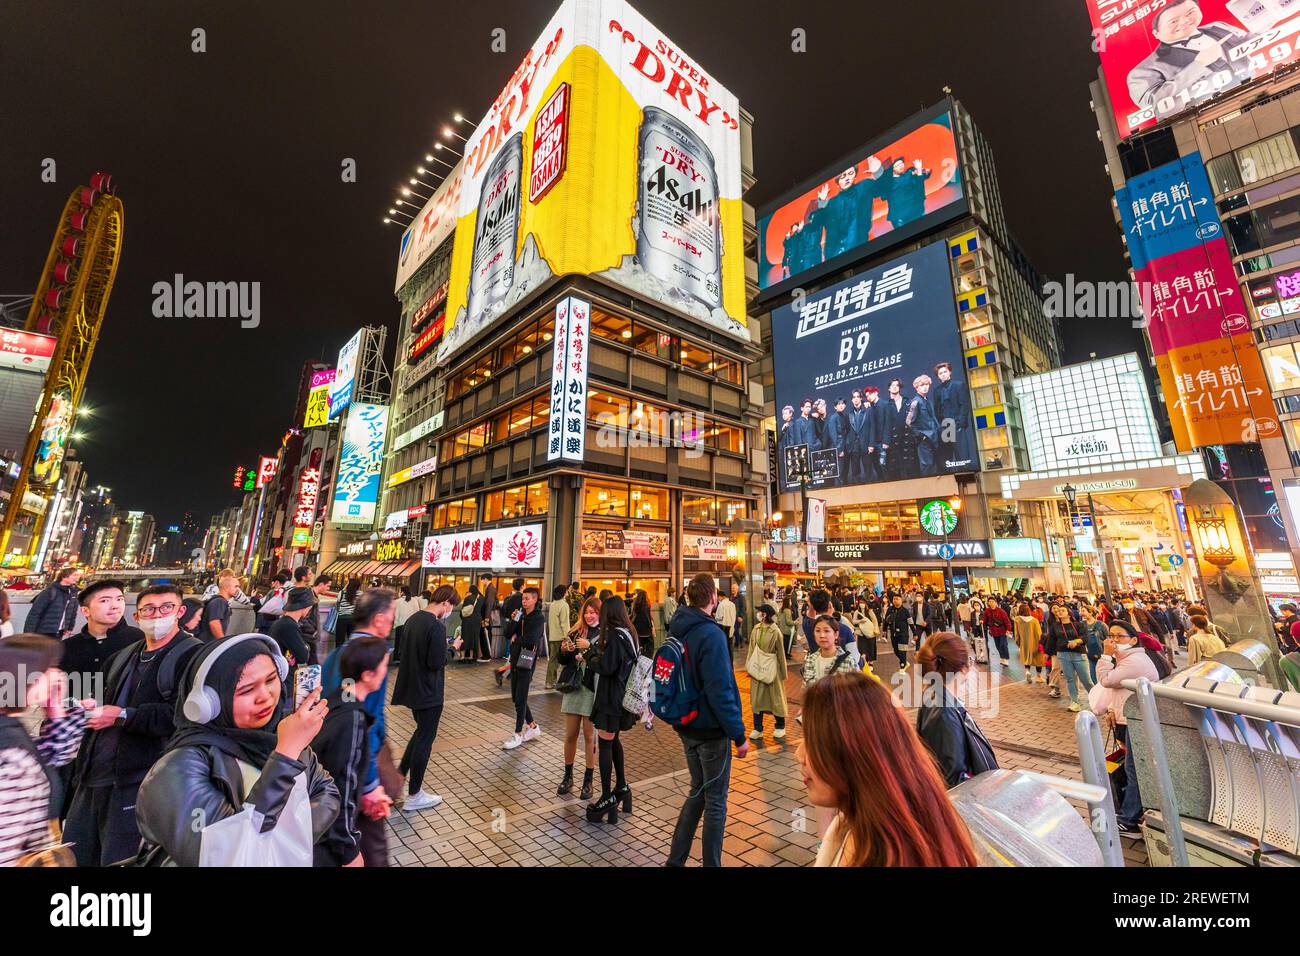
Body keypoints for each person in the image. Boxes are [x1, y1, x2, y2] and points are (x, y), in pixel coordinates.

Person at [134, 634, 339, 866]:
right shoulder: (176, 769)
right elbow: (227, 858)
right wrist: (286, 754)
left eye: (271, 679)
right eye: (246, 690)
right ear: (209, 702)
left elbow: (329, 793)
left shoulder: (280, 734)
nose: (265, 697)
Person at [63, 584, 202, 866]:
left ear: (181, 612)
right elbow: (106, 701)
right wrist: (91, 705)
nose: (157, 615)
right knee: (76, 856)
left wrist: (124, 715)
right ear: (137, 616)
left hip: (138, 781)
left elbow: (182, 716)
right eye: (148, 609)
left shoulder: (193, 656)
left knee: (121, 860)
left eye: (166, 608)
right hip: (93, 776)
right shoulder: (123, 656)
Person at [800, 671, 978, 866]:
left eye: (811, 740)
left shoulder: (880, 853)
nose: (799, 754)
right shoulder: (863, 827)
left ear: (857, 753)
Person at [665, 574, 750, 867]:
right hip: (711, 730)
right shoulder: (711, 634)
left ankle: (675, 861)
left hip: (685, 724)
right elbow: (720, 689)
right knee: (715, 801)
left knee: (698, 792)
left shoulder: (677, 628)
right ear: (713, 597)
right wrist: (738, 734)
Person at [0, 633, 91, 866]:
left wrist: (55, 708)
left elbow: (55, 755)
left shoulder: (10, 724)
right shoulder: (12, 756)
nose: (57, 675)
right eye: (49, 668)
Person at [321, 588, 396, 866]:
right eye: (391, 615)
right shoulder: (373, 662)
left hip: (331, 769)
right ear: (378, 619)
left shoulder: (337, 654)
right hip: (356, 772)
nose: (392, 621)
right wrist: (371, 785)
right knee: (371, 847)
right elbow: (366, 727)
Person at [311, 634, 388, 866]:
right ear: (367, 675)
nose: (386, 672)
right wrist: (349, 851)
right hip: (326, 844)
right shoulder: (353, 720)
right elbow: (341, 788)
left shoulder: (339, 699)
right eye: (384, 666)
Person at [391, 586, 461, 812]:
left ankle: (399, 780)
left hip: (413, 689)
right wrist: (452, 649)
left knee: (420, 734)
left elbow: (403, 652)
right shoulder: (436, 626)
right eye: (452, 606)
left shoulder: (413, 619)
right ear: (446, 603)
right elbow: (436, 662)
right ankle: (414, 794)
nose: (450, 611)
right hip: (429, 692)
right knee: (425, 740)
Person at [1126, 0, 1253, 117]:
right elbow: (1154, 106)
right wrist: (1198, 65)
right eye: (1173, 21)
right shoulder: (1142, 71)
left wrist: (1260, 29)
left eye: (1190, 12)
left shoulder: (1218, 26)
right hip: (1210, 116)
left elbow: (1247, 45)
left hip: (1255, 88)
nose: (1184, 22)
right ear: (1156, 33)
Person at [1096, 620, 1160, 835]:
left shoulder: (1134, 662)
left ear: (1133, 640)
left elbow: (1106, 680)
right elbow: (1120, 691)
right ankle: (1131, 813)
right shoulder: (1128, 659)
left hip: (1138, 721)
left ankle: (1129, 819)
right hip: (1131, 718)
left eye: (1119, 636)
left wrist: (1105, 656)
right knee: (1133, 767)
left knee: (1134, 770)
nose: (1113, 640)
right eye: (1111, 636)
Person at [915, 632, 998, 787]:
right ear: (964, 667)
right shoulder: (943, 712)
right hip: (970, 802)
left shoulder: (938, 698)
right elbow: (952, 781)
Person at [584, 597, 639, 824]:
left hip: (611, 698)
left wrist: (588, 655)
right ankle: (622, 787)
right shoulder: (629, 632)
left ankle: (607, 798)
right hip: (621, 695)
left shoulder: (615, 636)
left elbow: (606, 667)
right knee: (614, 740)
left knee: (606, 743)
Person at [60, 579, 142, 692]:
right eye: (104, 601)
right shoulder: (67, 647)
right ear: (85, 611)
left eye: (119, 599)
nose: (115, 606)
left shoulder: (139, 640)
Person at [557, 597, 600, 800]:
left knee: (590, 736)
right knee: (570, 735)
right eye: (587, 612)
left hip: (591, 690)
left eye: (594, 612)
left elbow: (605, 662)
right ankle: (567, 776)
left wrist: (590, 647)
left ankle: (588, 780)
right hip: (574, 688)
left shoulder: (604, 634)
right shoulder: (575, 631)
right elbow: (562, 660)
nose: (590, 616)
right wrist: (564, 650)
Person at [502, 587, 545, 751]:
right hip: (515, 658)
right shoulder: (520, 614)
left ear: (535, 599)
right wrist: (514, 621)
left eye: (527, 598)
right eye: (523, 599)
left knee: (520, 698)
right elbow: (507, 634)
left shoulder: (538, 618)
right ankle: (533, 727)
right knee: (516, 697)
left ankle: (518, 733)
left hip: (527, 660)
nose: (524, 601)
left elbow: (532, 639)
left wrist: (517, 639)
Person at [747, 604, 788, 739]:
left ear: (765, 614)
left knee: (775, 698)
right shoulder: (756, 629)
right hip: (757, 667)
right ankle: (758, 728)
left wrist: (783, 672)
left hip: (772, 668)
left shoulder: (775, 632)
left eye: (760, 612)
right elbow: (751, 650)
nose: (758, 614)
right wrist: (749, 666)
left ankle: (780, 726)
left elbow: (781, 653)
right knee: (756, 700)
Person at [1047, 602, 1093, 712]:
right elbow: (1051, 640)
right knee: (1070, 679)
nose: (1059, 612)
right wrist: (1048, 653)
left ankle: (1097, 699)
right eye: (1058, 611)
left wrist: (1076, 641)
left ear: (1069, 613)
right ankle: (1074, 702)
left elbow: (1085, 638)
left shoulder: (1079, 624)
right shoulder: (1055, 626)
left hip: (1079, 654)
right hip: (1063, 655)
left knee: (1086, 680)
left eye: (1062, 610)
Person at [26, 566, 82, 639]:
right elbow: (35, 613)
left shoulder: (73, 593)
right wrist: (28, 633)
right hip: (44, 632)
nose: (77, 578)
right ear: (64, 576)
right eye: (74, 575)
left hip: (59, 632)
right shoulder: (50, 591)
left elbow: (72, 612)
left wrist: (69, 628)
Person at [803, 615, 856, 691]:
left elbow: (856, 693)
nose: (822, 635)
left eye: (826, 631)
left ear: (836, 634)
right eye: (818, 631)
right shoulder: (810, 659)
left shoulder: (848, 661)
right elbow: (805, 690)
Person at [268, 587, 316, 669]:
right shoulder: (289, 626)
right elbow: (303, 656)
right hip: (284, 676)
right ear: (305, 606)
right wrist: (307, 646)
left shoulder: (283, 622)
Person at [199, 571, 240, 643]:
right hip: (208, 644)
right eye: (236, 586)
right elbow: (214, 623)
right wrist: (222, 642)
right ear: (226, 587)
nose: (238, 589)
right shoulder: (220, 602)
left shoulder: (219, 601)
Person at [546, 584, 572, 690]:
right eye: (566, 591)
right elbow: (564, 623)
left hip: (553, 636)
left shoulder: (553, 604)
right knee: (564, 660)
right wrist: (567, 637)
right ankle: (561, 681)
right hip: (561, 637)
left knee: (553, 659)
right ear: (564, 593)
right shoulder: (564, 605)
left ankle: (550, 681)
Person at [1014, 602, 1045, 684]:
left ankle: (1027, 671)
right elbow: (1039, 633)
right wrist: (1041, 643)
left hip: (1024, 643)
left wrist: (1018, 643)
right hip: (1036, 643)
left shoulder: (1017, 620)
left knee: (1026, 658)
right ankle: (1038, 676)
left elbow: (1016, 634)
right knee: (1038, 659)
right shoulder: (1035, 620)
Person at [392, 586, 422, 666]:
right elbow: (417, 612)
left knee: (399, 643)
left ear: (402, 592)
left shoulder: (397, 601)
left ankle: (398, 659)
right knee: (410, 642)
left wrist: (395, 625)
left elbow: (396, 614)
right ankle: (408, 659)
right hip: (412, 625)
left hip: (400, 624)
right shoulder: (414, 601)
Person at [882, 593, 913, 669]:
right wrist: (884, 630)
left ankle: (902, 666)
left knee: (902, 651)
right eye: (894, 599)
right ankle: (904, 662)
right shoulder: (890, 609)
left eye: (897, 599)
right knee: (896, 651)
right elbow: (886, 620)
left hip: (903, 635)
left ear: (901, 600)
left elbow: (910, 622)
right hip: (893, 634)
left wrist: (915, 634)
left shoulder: (905, 611)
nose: (895, 601)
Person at [1081, 603, 1108, 683]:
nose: (1081, 613)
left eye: (1083, 611)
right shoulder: (1082, 624)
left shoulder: (1101, 624)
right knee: (1093, 676)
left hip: (1102, 653)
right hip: (1089, 654)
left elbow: (1108, 638)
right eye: (1081, 611)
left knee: (1103, 675)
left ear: (1090, 613)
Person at [982, 599, 1013, 667]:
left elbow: (1007, 621)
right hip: (994, 631)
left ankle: (1006, 659)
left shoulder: (1001, 611)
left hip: (1002, 631)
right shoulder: (987, 611)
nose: (991, 603)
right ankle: (1002, 658)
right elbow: (984, 619)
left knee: (1003, 645)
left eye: (993, 601)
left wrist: (1008, 629)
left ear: (996, 603)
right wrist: (982, 621)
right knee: (998, 646)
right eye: (990, 602)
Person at [458, 586, 483, 663]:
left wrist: (463, 618)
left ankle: (462, 657)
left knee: (465, 637)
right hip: (477, 621)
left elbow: (463, 611)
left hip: (467, 620)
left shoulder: (467, 598)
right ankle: (471, 657)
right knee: (474, 638)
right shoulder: (481, 599)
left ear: (470, 591)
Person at [333, 579, 359, 647]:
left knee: (339, 641)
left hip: (342, 619)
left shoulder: (342, 593)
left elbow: (338, 600)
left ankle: (338, 656)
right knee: (352, 642)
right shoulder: (359, 594)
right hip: (353, 619)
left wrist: (346, 586)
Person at [713, 586, 737, 657]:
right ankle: (731, 664)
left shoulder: (721, 604)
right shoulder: (732, 604)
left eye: (718, 597)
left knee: (724, 647)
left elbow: (719, 617)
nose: (717, 599)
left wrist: (715, 616)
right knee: (730, 647)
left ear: (721, 597)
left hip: (723, 628)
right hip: (731, 628)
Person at [631, 589, 653, 660]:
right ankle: (647, 661)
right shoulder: (647, 606)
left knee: (639, 647)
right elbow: (648, 619)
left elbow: (633, 617)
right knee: (649, 648)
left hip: (638, 631)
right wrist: (651, 628)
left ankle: (640, 660)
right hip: (646, 631)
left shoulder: (636, 606)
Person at [776, 592, 798, 659]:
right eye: (790, 601)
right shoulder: (787, 610)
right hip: (787, 630)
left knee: (783, 644)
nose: (791, 602)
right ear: (788, 602)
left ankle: (784, 655)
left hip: (781, 630)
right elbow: (788, 622)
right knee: (788, 644)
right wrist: (795, 622)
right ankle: (787, 655)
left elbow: (778, 620)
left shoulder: (781, 610)